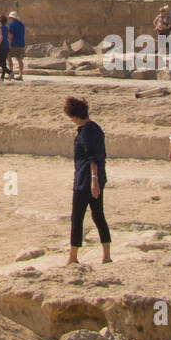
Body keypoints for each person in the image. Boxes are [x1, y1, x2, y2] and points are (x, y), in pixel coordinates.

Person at [64, 95, 111, 265]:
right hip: (93, 179)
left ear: (75, 115)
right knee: (98, 216)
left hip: (85, 181)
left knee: (77, 218)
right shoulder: (95, 128)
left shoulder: (86, 131)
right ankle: (106, 255)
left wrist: (94, 180)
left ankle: (73, 257)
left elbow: (92, 158)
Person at [7, 11, 25, 80]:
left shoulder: (12, 24)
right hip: (21, 44)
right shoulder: (22, 24)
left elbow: (11, 35)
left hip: (13, 44)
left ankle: (11, 73)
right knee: (20, 60)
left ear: (12, 17)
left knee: (8, 57)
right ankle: (20, 75)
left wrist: (8, 41)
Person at [0, 14, 11, 81]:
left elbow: (1, 38)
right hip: (6, 45)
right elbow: (8, 37)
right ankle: (2, 77)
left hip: (2, 46)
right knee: (3, 62)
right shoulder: (7, 28)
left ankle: (9, 72)